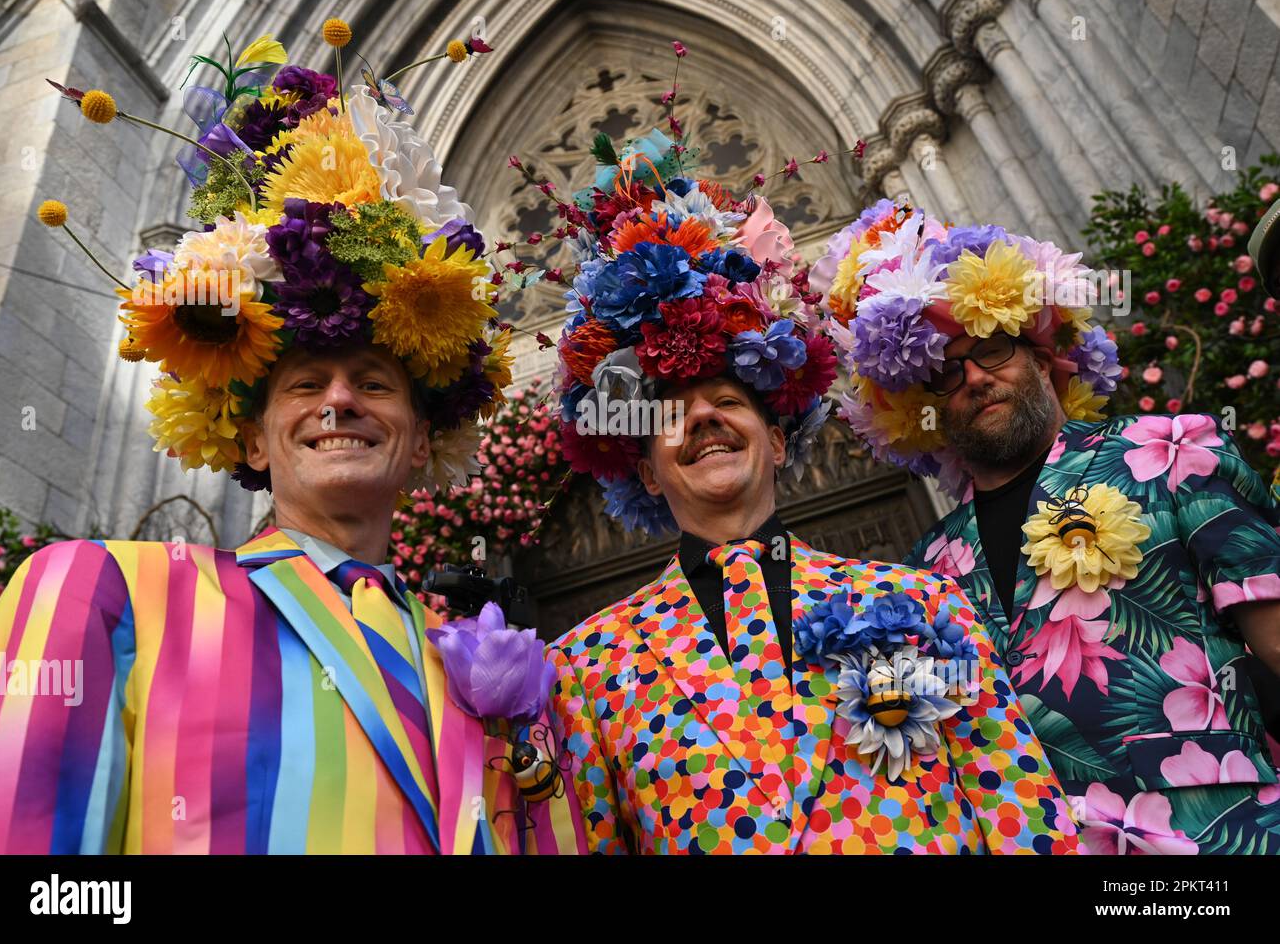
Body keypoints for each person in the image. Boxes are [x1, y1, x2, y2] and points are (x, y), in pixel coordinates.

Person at [0, 25, 582, 854]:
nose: (339, 400)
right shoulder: (101, 593)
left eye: (374, 383)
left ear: (419, 446)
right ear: (254, 444)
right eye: (303, 384)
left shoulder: (495, 664)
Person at [526, 122, 1079, 854]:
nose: (701, 418)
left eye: (726, 400)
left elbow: (1022, 816)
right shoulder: (583, 671)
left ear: (778, 438)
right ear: (647, 472)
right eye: (667, 410)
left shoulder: (924, 603)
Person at [820, 201, 1280, 854]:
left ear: (1043, 359)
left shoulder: (1173, 450)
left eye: (992, 349)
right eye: (948, 372)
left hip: (1226, 843)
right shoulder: (925, 568)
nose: (975, 377)